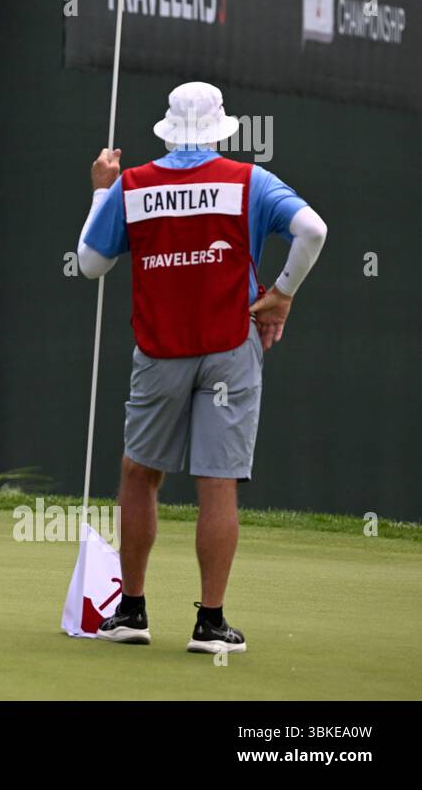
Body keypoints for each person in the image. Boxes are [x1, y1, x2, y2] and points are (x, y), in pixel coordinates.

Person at [76, 82, 327, 653]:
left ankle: (132, 612)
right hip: (228, 349)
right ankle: (210, 624)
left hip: (160, 351)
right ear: (220, 128)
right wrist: (283, 293)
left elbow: (91, 264)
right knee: (217, 482)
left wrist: (101, 193)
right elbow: (314, 230)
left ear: (168, 127)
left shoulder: (133, 184)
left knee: (140, 473)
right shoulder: (249, 181)